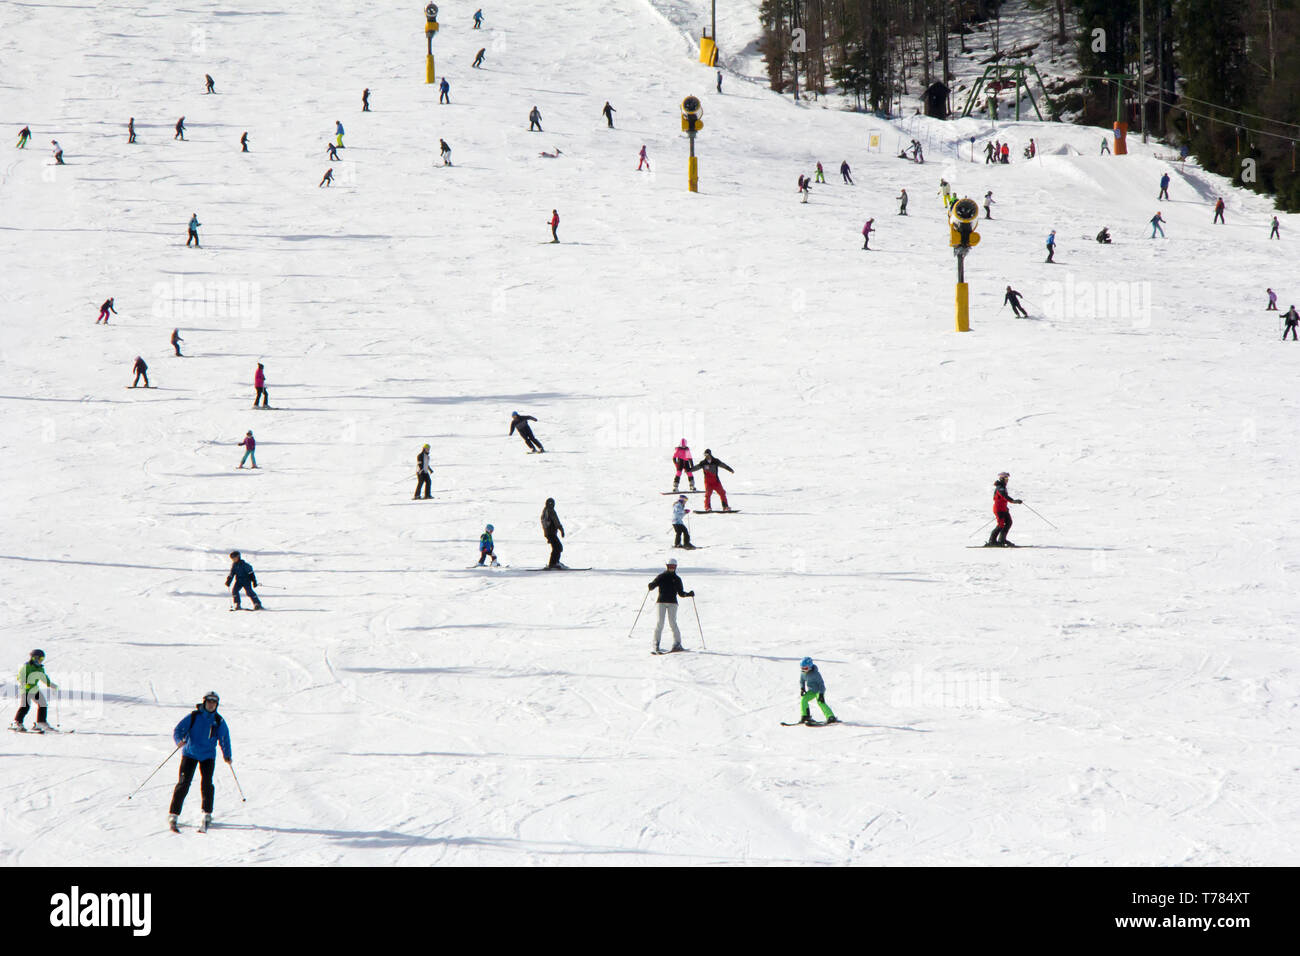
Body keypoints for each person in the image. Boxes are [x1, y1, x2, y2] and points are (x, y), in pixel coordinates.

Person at [168, 691, 232, 833]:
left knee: (207, 784)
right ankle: (173, 814)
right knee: (183, 783)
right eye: (209, 701)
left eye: (214, 702)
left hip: (208, 756)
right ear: (204, 702)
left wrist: (227, 755)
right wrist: (179, 741)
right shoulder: (194, 716)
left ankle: (207, 813)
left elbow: (224, 738)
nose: (211, 704)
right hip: (190, 753)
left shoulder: (218, 720)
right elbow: (179, 730)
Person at [647, 557, 694, 654]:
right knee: (660, 623)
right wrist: (651, 586)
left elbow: (680, 593)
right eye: (670, 566)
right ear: (667, 566)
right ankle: (656, 644)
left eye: (673, 566)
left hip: (673, 603)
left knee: (673, 623)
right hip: (661, 602)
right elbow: (654, 584)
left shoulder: (677, 579)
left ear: (676, 567)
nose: (672, 568)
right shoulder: (661, 576)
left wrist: (688, 594)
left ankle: (677, 644)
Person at [11, 650, 58, 733]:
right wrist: (25, 683)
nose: (41, 661)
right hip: (25, 689)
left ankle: (41, 722)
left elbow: (44, 678)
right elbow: (20, 677)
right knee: (25, 706)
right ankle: (17, 722)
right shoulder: (26, 667)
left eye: (43, 659)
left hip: (34, 689)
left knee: (43, 704)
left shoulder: (40, 668)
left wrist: (51, 685)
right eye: (40, 658)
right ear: (34, 658)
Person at [798, 658, 839, 724]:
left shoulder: (816, 674)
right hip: (811, 691)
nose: (803, 670)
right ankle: (805, 716)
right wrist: (802, 688)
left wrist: (821, 694)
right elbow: (801, 681)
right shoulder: (803, 673)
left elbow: (821, 685)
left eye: (805, 668)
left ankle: (831, 717)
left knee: (820, 702)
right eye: (802, 668)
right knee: (804, 699)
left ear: (810, 667)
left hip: (818, 691)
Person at [985, 472, 1022, 547]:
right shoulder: (1000, 488)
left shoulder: (1002, 487)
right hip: (999, 509)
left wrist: (1006, 507)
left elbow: (1002, 499)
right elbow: (1005, 497)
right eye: (1006, 478)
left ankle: (1002, 539)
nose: (1007, 480)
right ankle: (992, 541)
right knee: (1000, 524)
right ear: (1002, 479)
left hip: (1003, 509)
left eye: (1007, 478)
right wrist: (1014, 501)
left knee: (1008, 522)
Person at [540, 498, 565, 568]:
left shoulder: (545, 511)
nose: (551, 505)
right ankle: (553, 563)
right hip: (551, 533)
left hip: (549, 533)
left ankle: (555, 562)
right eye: (550, 503)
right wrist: (561, 529)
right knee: (558, 547)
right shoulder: (550, 511)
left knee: (557, 547)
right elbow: (555, 520)